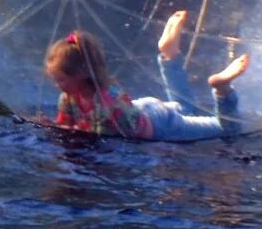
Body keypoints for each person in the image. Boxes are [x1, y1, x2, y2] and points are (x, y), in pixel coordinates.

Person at [44, 10, 249, 141]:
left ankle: (222, 89)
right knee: (187, 109)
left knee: (226, 129)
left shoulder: (105, 102)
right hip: (143, 109)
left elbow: (103, 138)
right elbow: (67, 124)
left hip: (162, 126)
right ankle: (169, 55)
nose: (56, 85)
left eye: (61, 79)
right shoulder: (69, 97)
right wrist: (52, 125)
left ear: (80, 74)